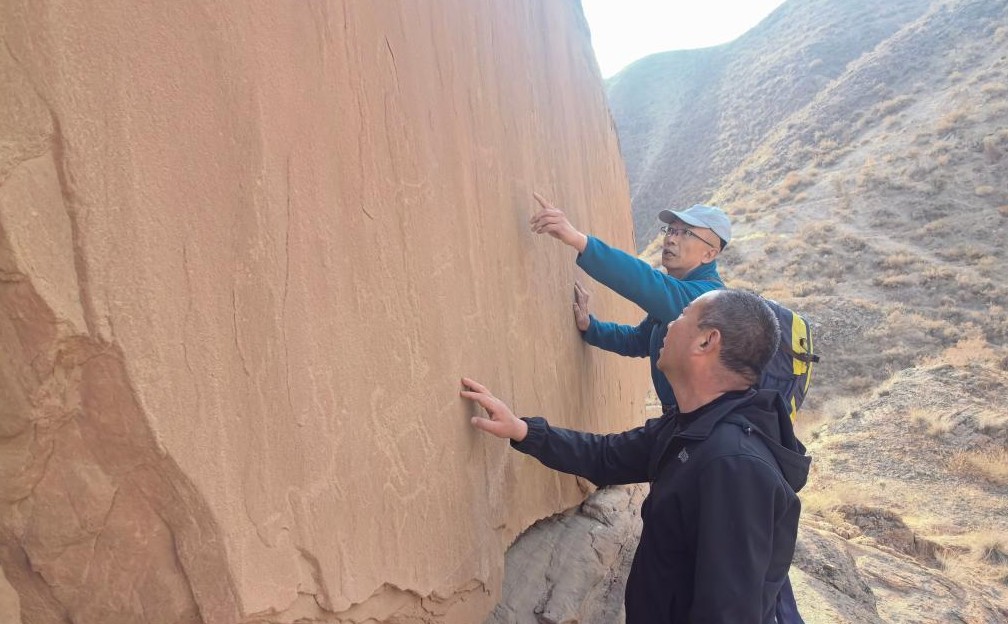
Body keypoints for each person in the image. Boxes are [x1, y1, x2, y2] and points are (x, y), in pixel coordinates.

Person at [461, 289, 810, 623]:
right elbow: (606, 456)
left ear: (707, 341)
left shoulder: (733, 465)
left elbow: (728, 613)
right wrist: (523, 430)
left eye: (683, 316)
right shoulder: (694, 426)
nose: (669, 325)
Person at [529, 192, 729, 414]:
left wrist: (578, 240)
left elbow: (645, 281)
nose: (671, 238)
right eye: (671, 230)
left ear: (710, 254)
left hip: (706, 425)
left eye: (686, 233)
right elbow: (639, 340)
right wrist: (591, 327)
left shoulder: (710, 299)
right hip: (679, 421)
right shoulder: (675, 294)